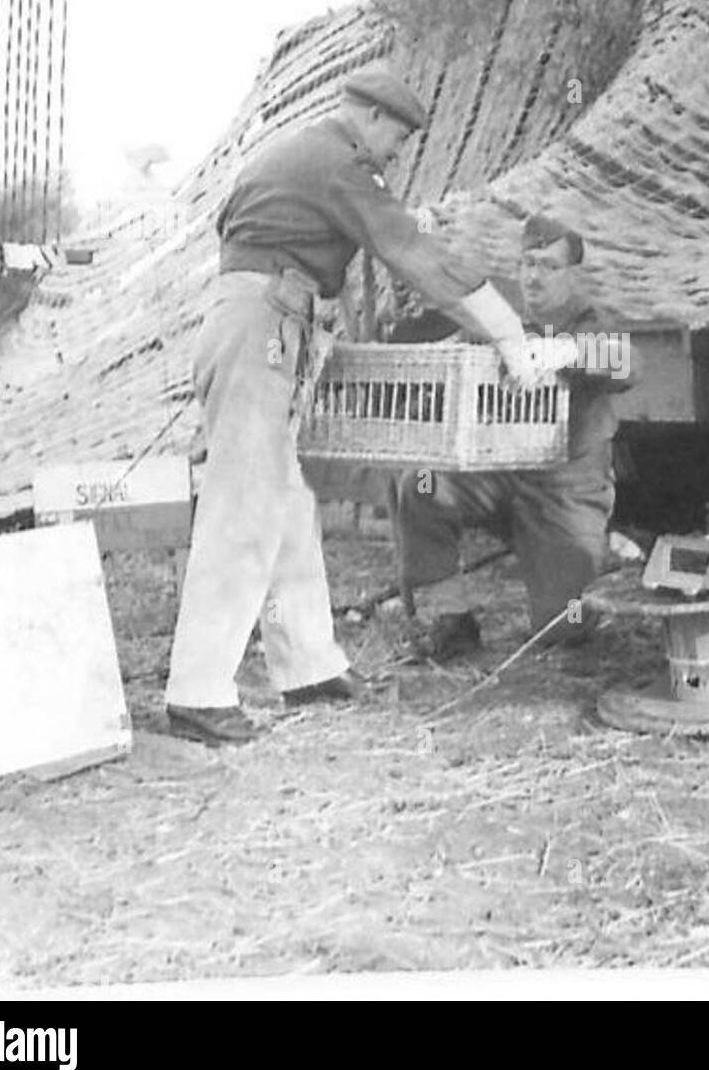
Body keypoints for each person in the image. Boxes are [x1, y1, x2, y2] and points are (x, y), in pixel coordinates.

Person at [165, 66, 539, 745]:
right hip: (263, 330)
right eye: (396, 139)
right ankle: (197, 691)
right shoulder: (340, 165)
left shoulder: (296, 153)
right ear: (371, 117)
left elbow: (253, 230)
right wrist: (510, 336)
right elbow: (415, 256)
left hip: (262, 322)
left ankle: (310, 666)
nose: (395, 154)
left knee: (286, 506)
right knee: (243, 508)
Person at [396, 213, 637, 656]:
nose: (533, 277)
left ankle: (597, 555)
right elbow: (452, 360)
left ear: (574, 274)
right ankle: (449, 618)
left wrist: (562, 352)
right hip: (499, 474)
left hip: (565, 490)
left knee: (564, 631)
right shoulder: (503, 320)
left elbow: (628, 363)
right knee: (423, 484)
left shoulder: (592, 323)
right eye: (527, 263)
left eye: (549, 266)